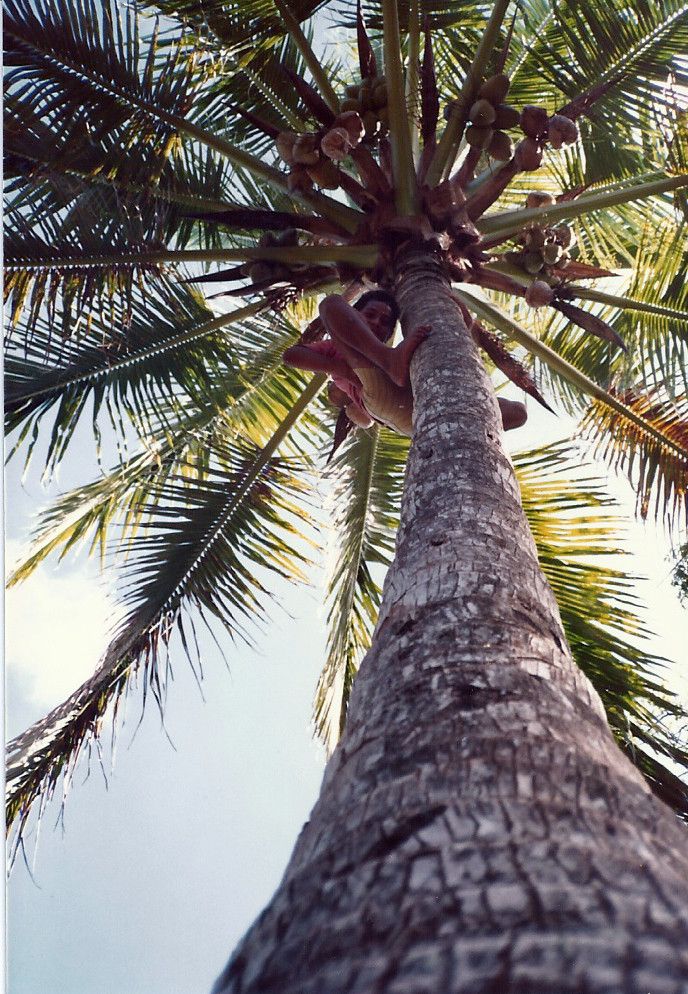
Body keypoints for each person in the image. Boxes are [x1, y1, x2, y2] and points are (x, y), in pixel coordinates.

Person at [283, 290, 527, 437]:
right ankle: (387, 362)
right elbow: (291, 355)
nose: (377, 322)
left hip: (416, 417)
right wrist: (342, 369)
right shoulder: (336, 347)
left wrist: (465, 325)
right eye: (370, 315)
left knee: (518, 412)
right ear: (355, 314)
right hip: (383, 396)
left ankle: (390, 363)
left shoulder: (394, 352)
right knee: (331, 304)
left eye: (385, 322)